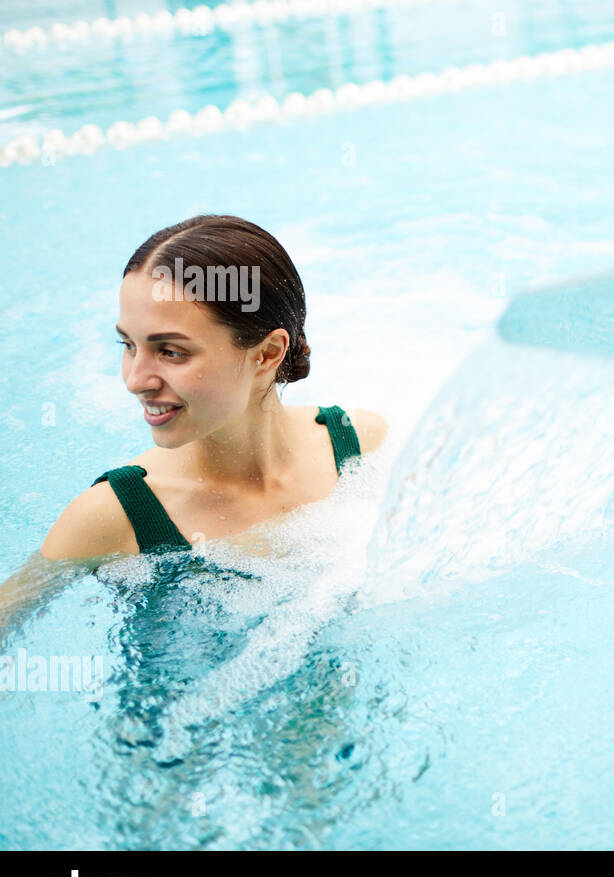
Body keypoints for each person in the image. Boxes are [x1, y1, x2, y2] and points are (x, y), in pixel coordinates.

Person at [1, 214, 387, 628]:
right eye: (128, 345)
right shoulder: (116, 515)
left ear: (268, 353)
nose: (135, 381)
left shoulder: (359, 446)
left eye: (171, 351)